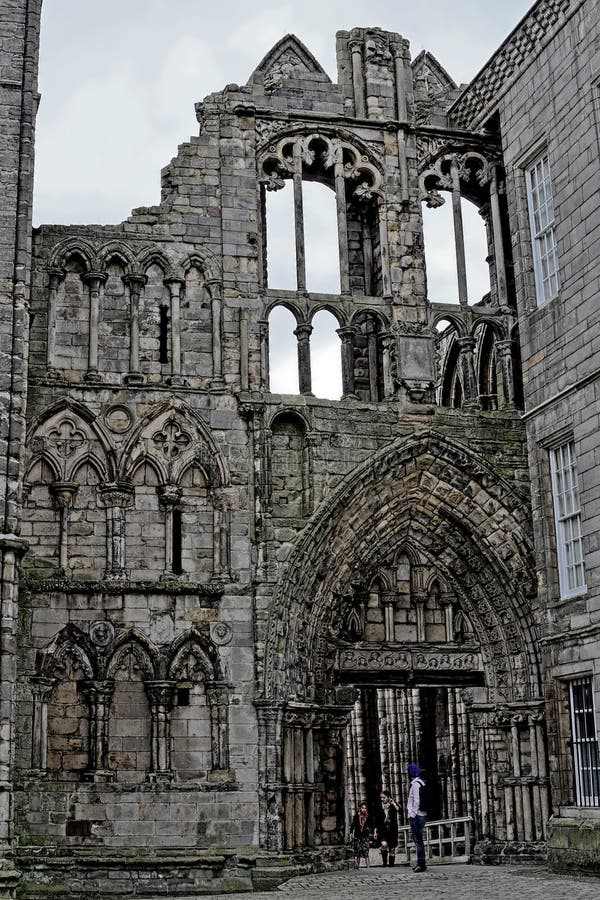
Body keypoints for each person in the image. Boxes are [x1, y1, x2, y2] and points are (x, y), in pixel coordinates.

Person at [407, 762, 427, 872]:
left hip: (417, 815)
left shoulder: (415, 785)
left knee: (418, 840)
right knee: (419, 840)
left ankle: (421, 863)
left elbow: (416, 801)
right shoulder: (421, 782)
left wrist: (413, 814)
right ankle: (422, 862)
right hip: (421, 814)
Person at [373, 789, 399, 867]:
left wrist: (393, 803)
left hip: (392, 829)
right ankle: (384, 863)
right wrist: (375, 831)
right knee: (383, 844)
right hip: (382, 829)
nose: (382, 799)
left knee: (392, 849)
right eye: (381, 797)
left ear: (388, 797)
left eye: (384, 797)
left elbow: (400, 811)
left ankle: (391, 865)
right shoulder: (379, 806)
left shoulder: (393, 805)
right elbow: (376, 820)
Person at [349, 802, 373, 868]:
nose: (364, 809)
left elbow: (371, 825)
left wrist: (368, 829)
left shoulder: (368, 817)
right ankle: (357, 866)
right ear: (360, 808)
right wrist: (351, 833)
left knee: (366, 852)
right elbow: (353, 825)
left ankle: (368, 867)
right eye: (363, 808)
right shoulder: (356, 816)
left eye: (365, 808)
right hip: (357, 836)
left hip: (365, 836)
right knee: (358, 852)